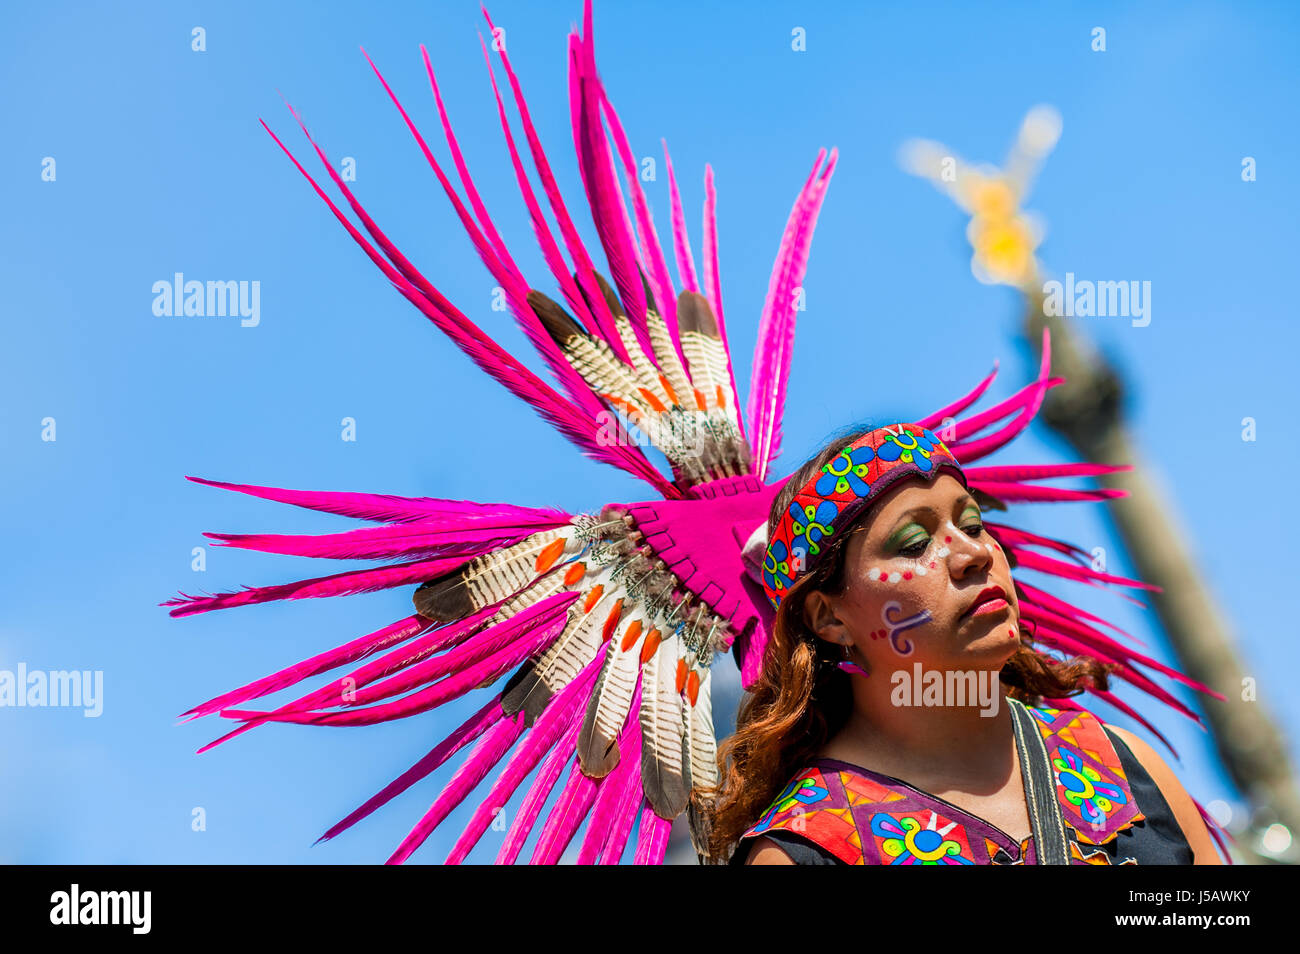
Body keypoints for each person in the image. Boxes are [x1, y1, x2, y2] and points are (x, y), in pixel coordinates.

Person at [713, 423, 1222, 865]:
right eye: (915, 543)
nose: (974, 553)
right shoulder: (804, 850)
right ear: (829, 617)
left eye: (973, 523)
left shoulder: (1121, 762)